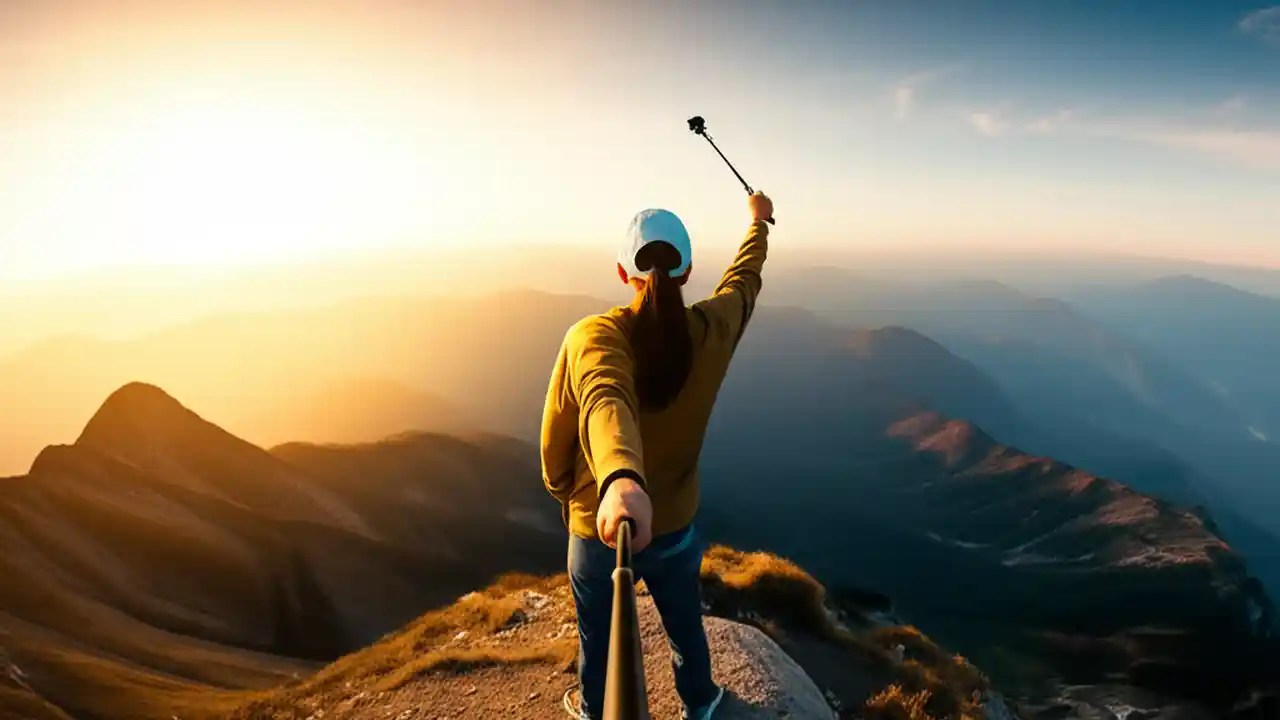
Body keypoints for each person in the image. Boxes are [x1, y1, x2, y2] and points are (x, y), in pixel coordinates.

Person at [541, 191, 773, 720]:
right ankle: (700, 699)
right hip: (673, 521)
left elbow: (603, 398)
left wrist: (606, 483)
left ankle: (597, 708)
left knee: (598, 631)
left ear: (624, 272)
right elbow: (744, 282)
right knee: (684, 619)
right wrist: (758, 224)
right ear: (688, 272)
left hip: (599, 523)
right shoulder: (713, 329)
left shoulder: (593, 337)